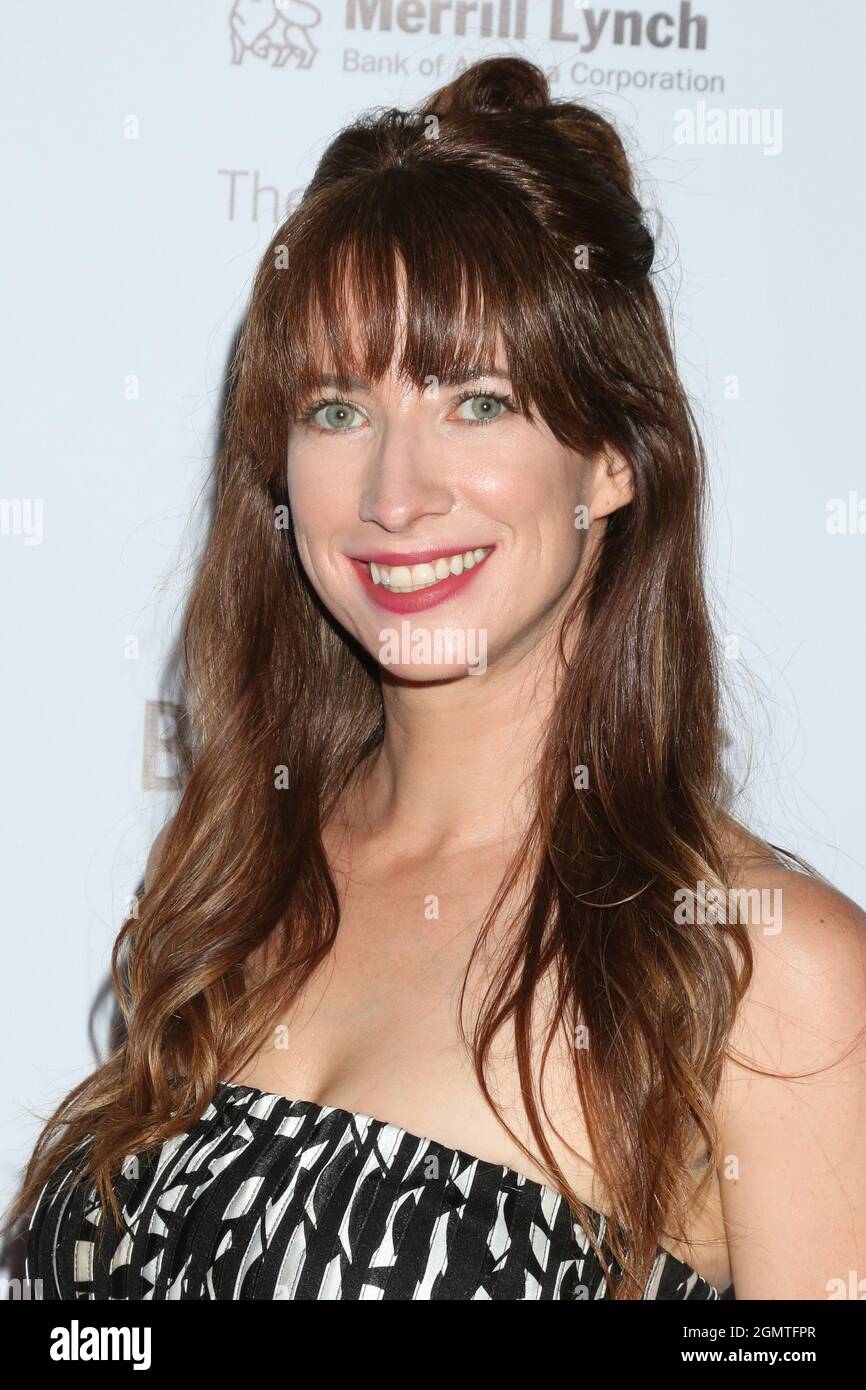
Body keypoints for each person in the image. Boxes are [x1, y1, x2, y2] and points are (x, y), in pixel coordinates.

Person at [8, 56, 866, 1301]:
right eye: (338, 410)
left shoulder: (759, 973)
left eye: (477, 401)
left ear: (614, 461)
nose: (394, 498)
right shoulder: (238, 863)